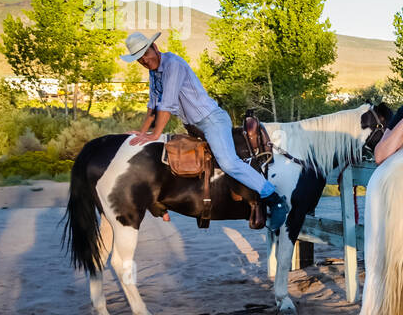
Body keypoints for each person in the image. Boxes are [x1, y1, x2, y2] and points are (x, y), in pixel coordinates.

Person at [121, 31, 291, 232]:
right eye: (139, 59)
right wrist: (143, 133)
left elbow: (166, 104)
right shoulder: (154, 72)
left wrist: (155, 134)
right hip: (194, 126)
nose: (143, 61)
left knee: (228, 162)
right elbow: (153, 105)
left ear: (155, 48)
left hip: (211, 121)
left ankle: (273, 198)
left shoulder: (173, 65)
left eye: (145, 55)